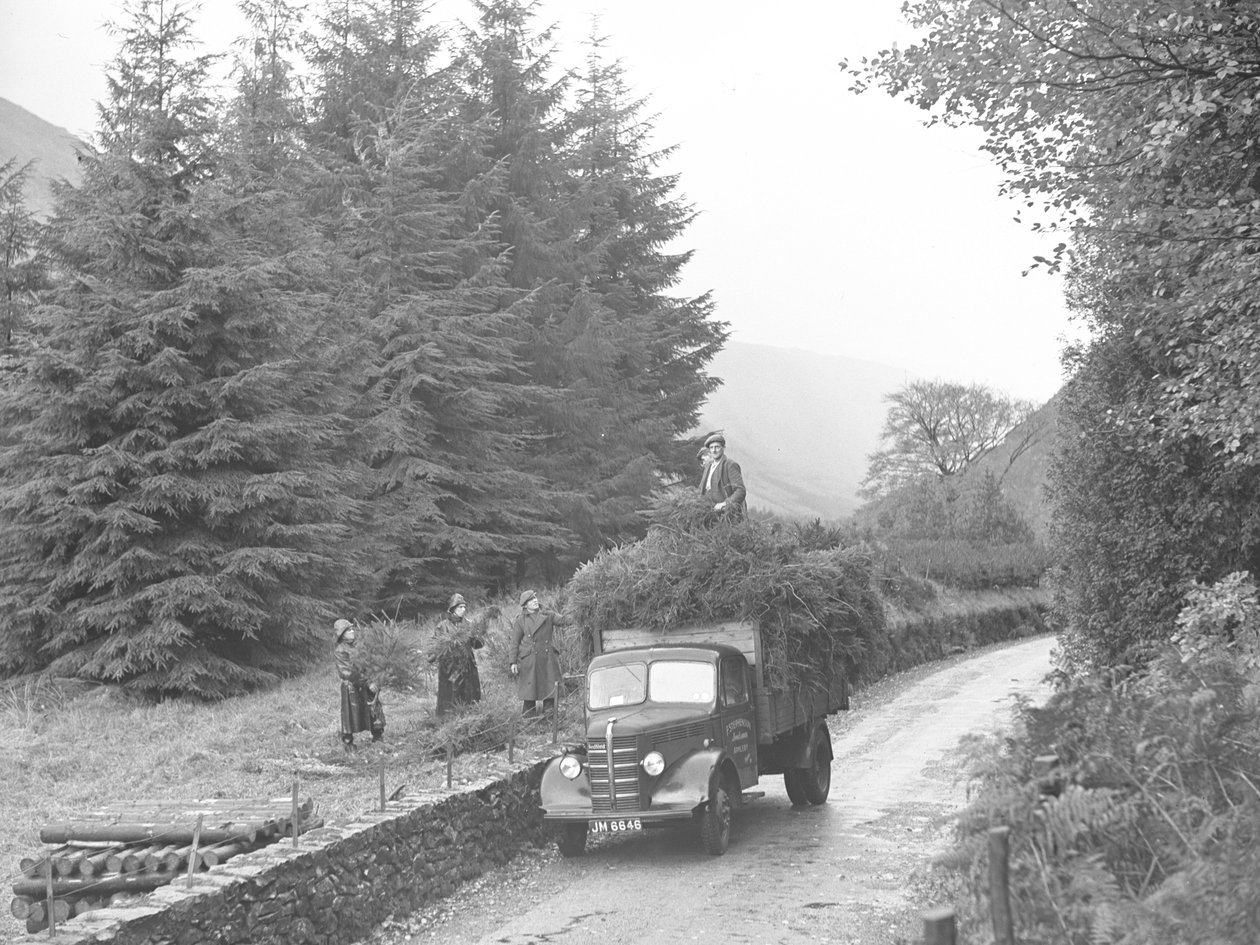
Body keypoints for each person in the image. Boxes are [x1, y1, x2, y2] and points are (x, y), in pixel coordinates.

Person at [509, 589, 572, 717]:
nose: (535, 601)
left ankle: (550, 718)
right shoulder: (521, 620)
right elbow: (514, 642)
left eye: (535, 598)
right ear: (525, 605)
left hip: (547, 657)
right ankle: (529, 719)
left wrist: (580, 614)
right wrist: (513, 662)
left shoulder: (548, 615)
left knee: (549, 688)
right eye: (531, 600)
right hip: (530, 660)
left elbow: (564, 620)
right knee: (529, 691)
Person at [432, 593, 484, 716]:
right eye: (460, 607)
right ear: (453, 609)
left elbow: (478, 644)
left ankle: (470, 719)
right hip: (449, 668)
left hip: (468, 666)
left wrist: (477, 635)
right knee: (450, 695)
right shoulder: (442, 626)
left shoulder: (469, 624)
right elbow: (435, 648)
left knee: (470, 694)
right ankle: (448, 720)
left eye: (464, 607)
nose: (463, 610)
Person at [334, 618, 383, 749]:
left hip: (367, 683)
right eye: (349, 630)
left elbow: (369, 662)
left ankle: (378, 736)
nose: (352, 631)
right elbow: (348, 672)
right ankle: (348, 742)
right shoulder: (340, 650)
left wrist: (376, 677)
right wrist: (367, 683)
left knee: (374, 708)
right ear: (342, 634)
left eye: (352, 629)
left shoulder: (359, 646)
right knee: (350, 714)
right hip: (351, 687)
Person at [698, 432, 747, 519]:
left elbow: (740, 490)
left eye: (717, 447)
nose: (714, 450)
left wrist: (725, 504)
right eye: (711, 448)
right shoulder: (708, 466)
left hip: (728, 516)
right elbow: (702, 489)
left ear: (723, 448)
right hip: (709, 514)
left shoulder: (730, 465)